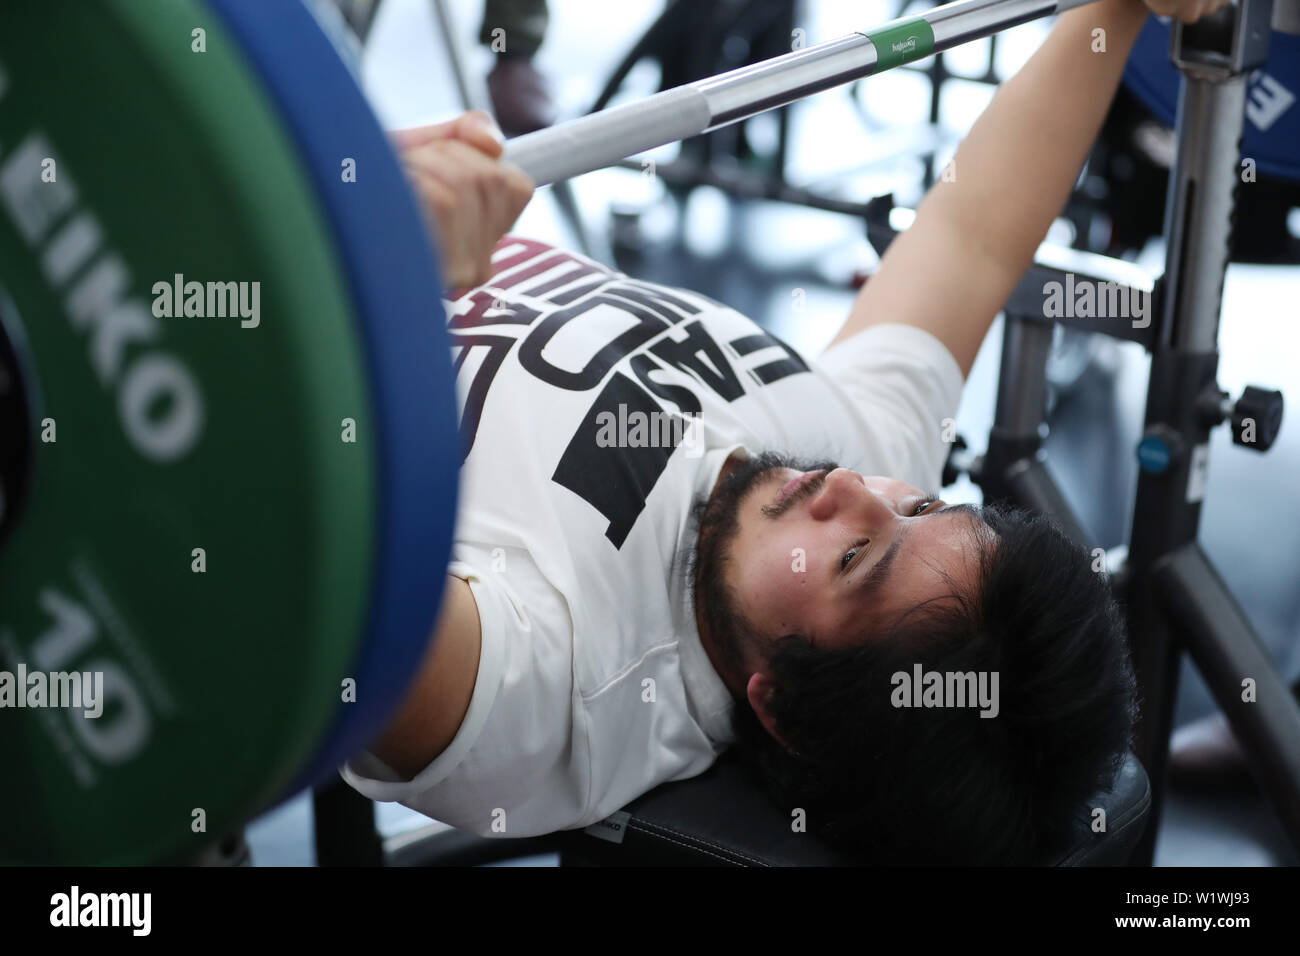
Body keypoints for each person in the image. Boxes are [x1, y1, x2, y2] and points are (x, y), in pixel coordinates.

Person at [347, 0, 1229, 864]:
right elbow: (972, 239)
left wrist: (349, 249)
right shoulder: (858, 470)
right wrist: (1120, 11)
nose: (851, 489)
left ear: (780, 708)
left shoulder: (546, 682)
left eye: (853, 560)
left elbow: (285, 551)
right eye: (926, 504)